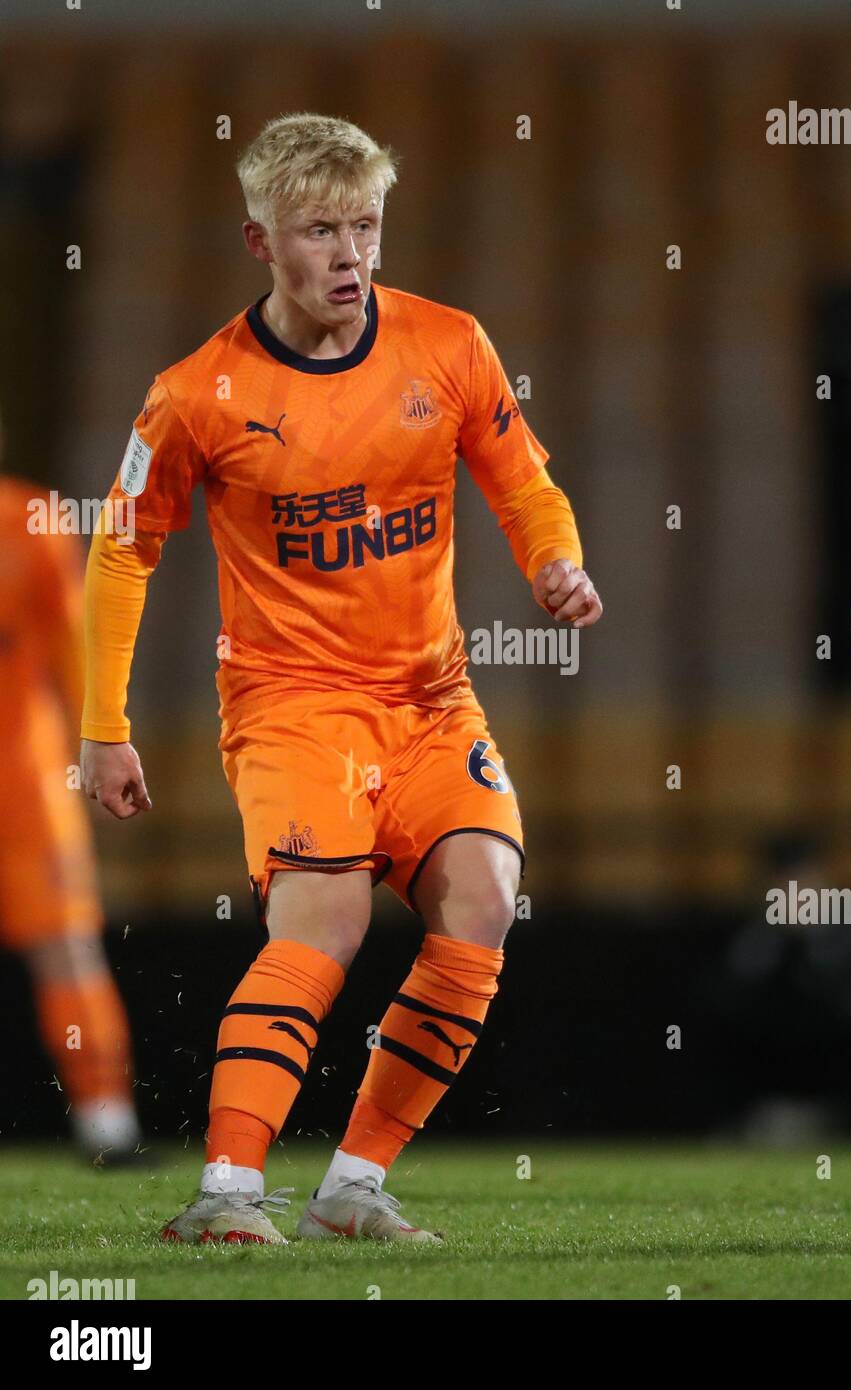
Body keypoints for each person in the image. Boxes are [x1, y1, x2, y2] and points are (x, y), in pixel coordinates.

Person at [80, 112, 602, 1244]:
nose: (349, 255)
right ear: (260, 242)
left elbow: (523, 482)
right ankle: (224, 1196)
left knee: (484, 900)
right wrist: (103, 724)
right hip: (289, 702)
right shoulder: (196, 395)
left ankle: (350, 1187)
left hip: (431, 696)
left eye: (364, 225)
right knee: (322, 922)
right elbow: (122, 546)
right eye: (319, 230)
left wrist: (554, 560)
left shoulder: (448, 344)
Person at [0, 456, 141, 1164]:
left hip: (23, 781)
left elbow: (72, 647)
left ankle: (107, 1125)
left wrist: (101, 743)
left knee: (68, 948)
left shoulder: (30, 520)